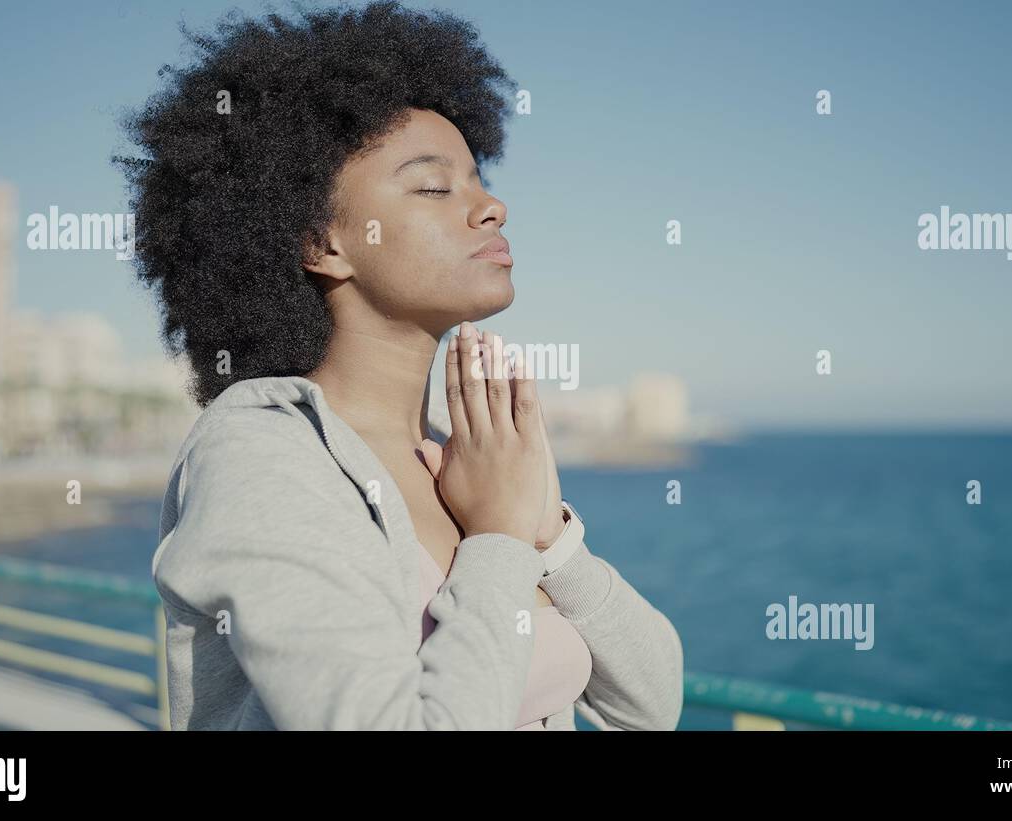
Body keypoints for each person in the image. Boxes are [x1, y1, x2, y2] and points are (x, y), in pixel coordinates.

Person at [117, 0, 683, 730]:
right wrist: (501, 541)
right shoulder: (263, 452)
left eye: (479, 179)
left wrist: (549, 540)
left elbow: (650, 705)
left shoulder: (461, 462)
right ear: (322, 243)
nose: (492, 207)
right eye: (433, 186)